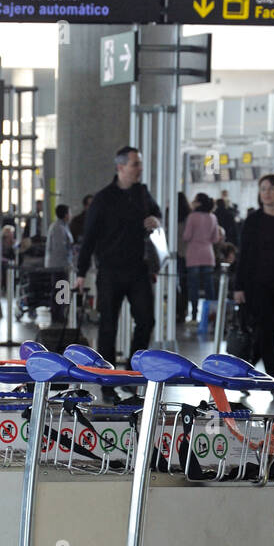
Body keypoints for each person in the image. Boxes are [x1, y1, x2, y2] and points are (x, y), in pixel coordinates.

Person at [75, 146, 162, 383]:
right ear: (121, 167)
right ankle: (108, 377)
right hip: (110, 270)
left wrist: (156, 219)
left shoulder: (142, 193)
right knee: (108, 324)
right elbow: (89, 237)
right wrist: (80, 273)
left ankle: (134, 370)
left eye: (140, 163)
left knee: (146, 319)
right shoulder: (103, 199)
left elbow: (157, 213)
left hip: (138, 269)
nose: (140, 169)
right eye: (136, 164)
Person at [233, 174, 274, 384]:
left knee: (266, 333)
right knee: (267, 332)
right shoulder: (253, 220)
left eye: (272, 188)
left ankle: (243, 373)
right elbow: (244, 255)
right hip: (257, 284)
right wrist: (239, 287)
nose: (267, 193)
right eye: (263, 189)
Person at [182, 192, 222, 323]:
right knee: (209, 287)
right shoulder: (212, 217)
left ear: (199, 202)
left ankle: (194, 316)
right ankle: (211, 316)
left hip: (193, 255)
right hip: (208, 255)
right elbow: (216, 238)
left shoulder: (192, 217)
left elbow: (186, 236)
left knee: (193, 287)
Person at [45, 203, 74, 271]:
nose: (71, 215)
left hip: (62, 264)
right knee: (59, 281)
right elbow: (60, 247)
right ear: (66, 215)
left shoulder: (64, 226)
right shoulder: (58, 228)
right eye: (70, 213)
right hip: (58, 265)